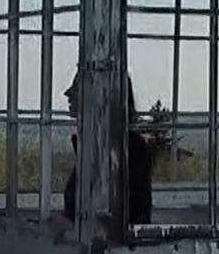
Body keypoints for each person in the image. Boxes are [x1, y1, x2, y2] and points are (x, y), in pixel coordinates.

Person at [50, 69, 154, 234]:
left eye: (78, 87)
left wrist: (73, 225)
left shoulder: (128, 150)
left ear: (98, 95)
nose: (68, 94)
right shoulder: (97, 145)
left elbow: (128, 216)